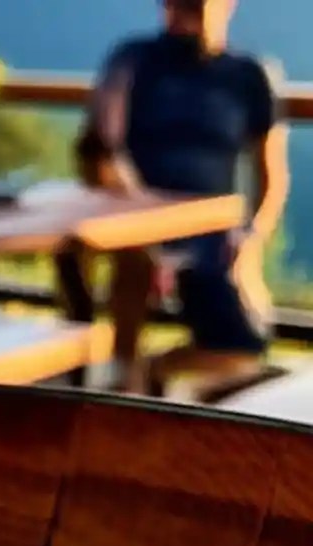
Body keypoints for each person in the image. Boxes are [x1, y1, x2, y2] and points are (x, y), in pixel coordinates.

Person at [86, 0, 290, 398]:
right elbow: (104, 150)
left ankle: (156, 374)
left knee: (246, 343)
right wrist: (145, 220)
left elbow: (272, 175)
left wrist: (251, 237)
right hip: (138, 223)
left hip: (214, 234)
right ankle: (124, 379)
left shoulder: (250, 75)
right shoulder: (134, 60)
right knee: (133, 263)